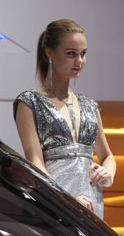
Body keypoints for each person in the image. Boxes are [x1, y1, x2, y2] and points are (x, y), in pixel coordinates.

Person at [13, 19, 116, 219]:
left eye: (83, 54)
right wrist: (66, 199)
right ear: (49, 52)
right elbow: (35, 162)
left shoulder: (89, 105)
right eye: (71, 54)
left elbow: (107, 156)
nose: (79, 61)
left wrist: (107, 173)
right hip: (53, 206)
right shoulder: (29, 102)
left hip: (92, 206)